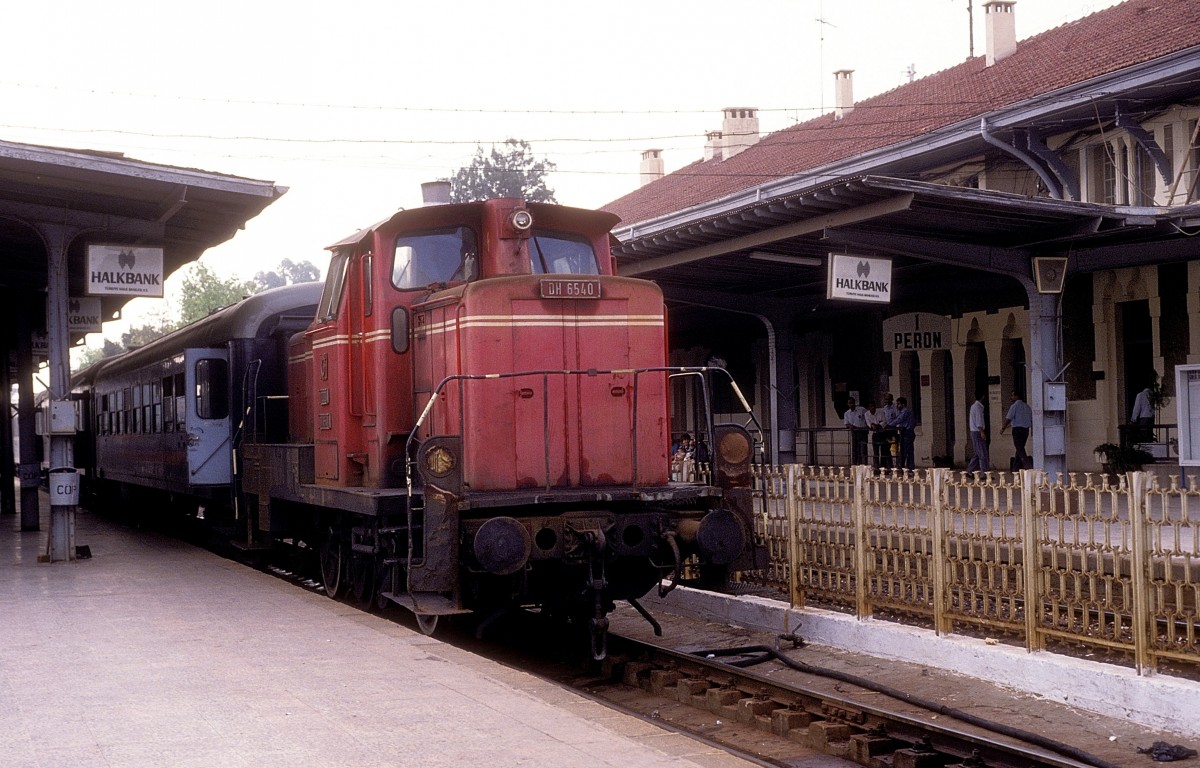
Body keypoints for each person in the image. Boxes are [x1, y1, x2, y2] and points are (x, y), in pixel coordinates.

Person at [1000, 391, 1032, 470]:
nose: (1011, 397)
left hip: (1017, 430)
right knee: (1019, 448)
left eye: (1012, 395)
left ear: (1016, 396)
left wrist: (1003, 428)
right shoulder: (1027, 406)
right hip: (1025, 430)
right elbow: (1031, 419)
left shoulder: (1014, 406)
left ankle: (1028, 467)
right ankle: (1015, 468)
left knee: (1020, 449)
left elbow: (1008, 418)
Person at [889, 396, 917, 470]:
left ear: (903, 404)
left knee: (905, 450)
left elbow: (899, 419)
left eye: (898, 404)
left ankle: (902, 467)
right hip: (906, 432)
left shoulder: (906, 411)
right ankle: (910, 467)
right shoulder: (902, 411)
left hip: (907, 432)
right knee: (909, 450)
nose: (897, 406)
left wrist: (889, 425)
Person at [965, 393, 990, 475]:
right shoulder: (978, 407)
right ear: (982, 397)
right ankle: (984, 473)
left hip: (974, 431)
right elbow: (979, 421)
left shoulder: (974, 406)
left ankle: (969, 470)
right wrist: (982, 432)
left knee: (977, 453)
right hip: (977, 431)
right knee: (982, 453)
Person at [864, 400, 891, 469]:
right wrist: (873, 426)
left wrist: (877, 425)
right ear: (868, 408)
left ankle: (883, 467)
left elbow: (884, 422)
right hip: (875, 434)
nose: (872, 408)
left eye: (873, 406)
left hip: (882, 433)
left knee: (883, 451)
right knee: (876, 452)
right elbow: (869, 424)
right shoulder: (866, 414)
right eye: (871, 406)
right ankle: (876, 468)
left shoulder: (880, 413)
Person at [843, 397, 868, 465]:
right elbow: (846, 424)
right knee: (855, 449)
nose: (851, 404)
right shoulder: (847, 413)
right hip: (854, 432)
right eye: (850, 403)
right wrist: (850, 426)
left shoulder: (862, 409)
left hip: (862, 431)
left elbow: (868, 417)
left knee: (863, 449)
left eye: (852, 403)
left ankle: (864, 465)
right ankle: (856, 465)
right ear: (847, 404)